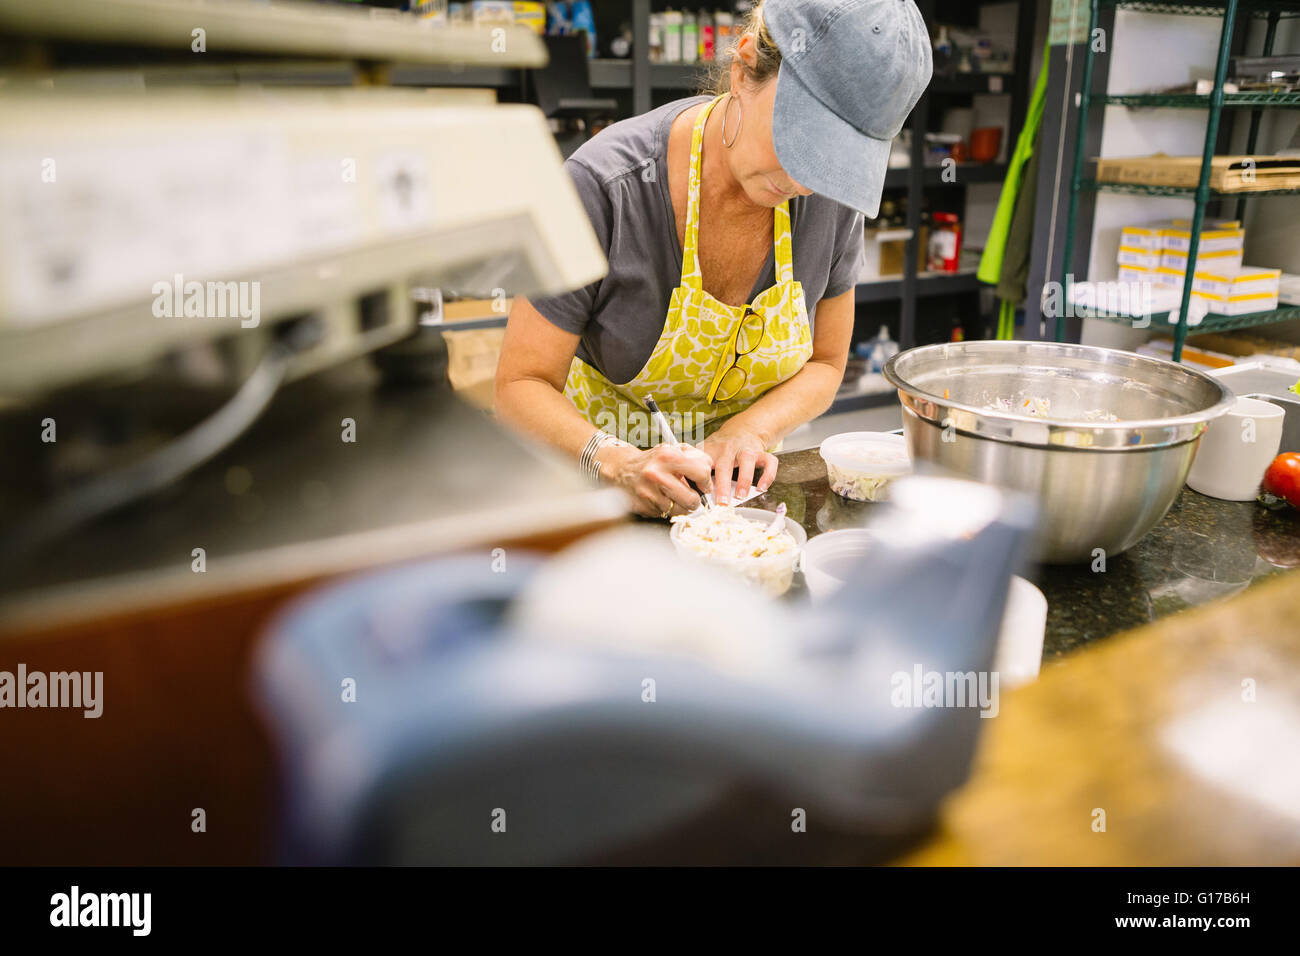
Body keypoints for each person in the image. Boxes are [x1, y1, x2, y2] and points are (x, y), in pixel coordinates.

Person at [496, 0, 932, 516]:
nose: (805, 181)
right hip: (598, 505)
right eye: (803, 142)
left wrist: (749, 429)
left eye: (839, 161)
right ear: (745, 65)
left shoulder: (831, 204)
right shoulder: (604, 188)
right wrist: (616, 462)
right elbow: (518, 385)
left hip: (740, 510)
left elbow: (827, 362)